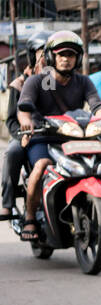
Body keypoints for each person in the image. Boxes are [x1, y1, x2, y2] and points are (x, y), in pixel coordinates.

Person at [15, 31, 101, 241]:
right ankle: (30, 217)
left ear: (78, 58)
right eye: (60, 54)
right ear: (50, 57)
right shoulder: (38, 81)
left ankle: (96, 212)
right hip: (43, 137)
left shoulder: (84, 82)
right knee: (41, 166)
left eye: (71, 54)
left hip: (74, 138)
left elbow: (98, 106)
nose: (66, 58)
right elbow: (24, 108)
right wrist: (26, 121)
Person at [0, 38, 46, 221]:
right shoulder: (19, 84)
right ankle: (7, 203)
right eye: (42, 54)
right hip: (25, 135)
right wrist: (22, 135)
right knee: (13, 152)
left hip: (55, 133)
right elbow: (11, 119)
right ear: (33, 57)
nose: (47, 58)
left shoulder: (57, 81)